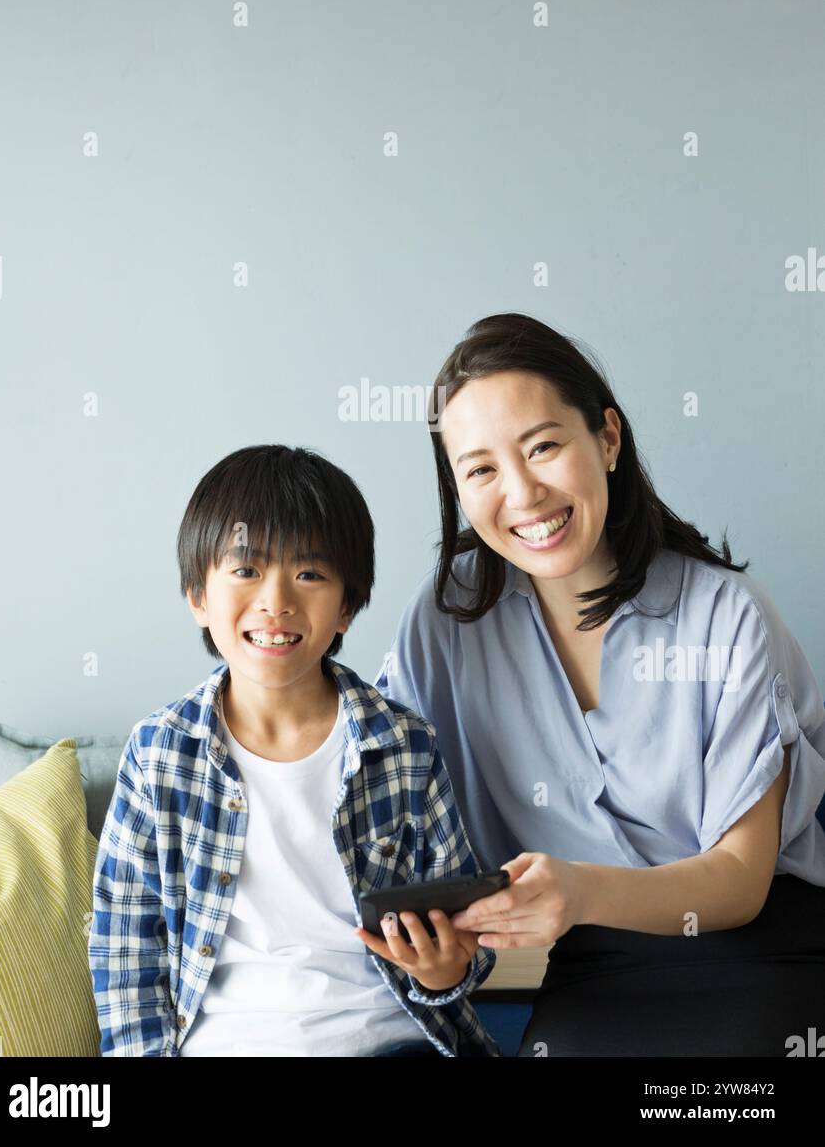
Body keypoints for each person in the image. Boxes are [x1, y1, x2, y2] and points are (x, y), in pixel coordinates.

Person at [374, 311, 825, 1057]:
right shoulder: (444, 622)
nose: (522, 494)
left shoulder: (725, 615)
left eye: (544, 447)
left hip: (763, 952)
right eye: (481, 469)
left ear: (607, 439)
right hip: (594, 968)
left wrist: (578, 891)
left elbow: (741, 881)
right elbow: (385, 791)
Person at [88, 444, 501, 1058]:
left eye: (309, 574)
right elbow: (125, 949)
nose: (276, 601)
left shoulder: (405, 746)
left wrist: (445, 972)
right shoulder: (160, 754)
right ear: (198, 594)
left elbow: (471, 933)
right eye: (246, 570)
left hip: (387, 1043)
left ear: (347, 606)